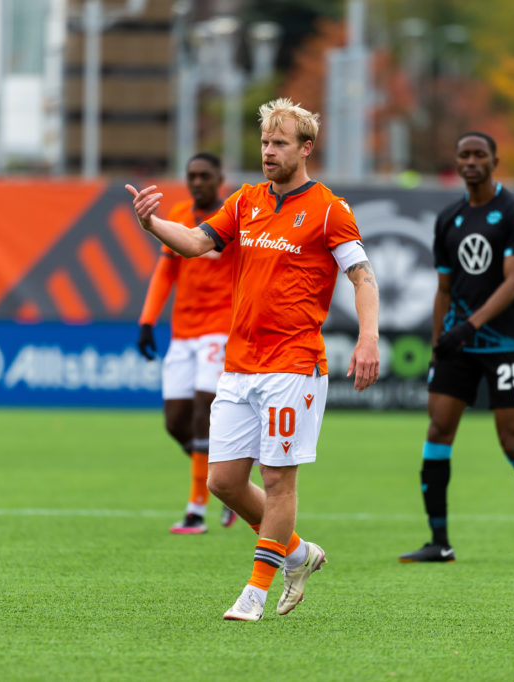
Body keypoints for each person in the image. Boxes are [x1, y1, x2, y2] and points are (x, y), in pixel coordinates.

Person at [127, 98, 380, 621]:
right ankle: (297, 553)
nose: (268, 151)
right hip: (241, 363)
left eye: (279, 143)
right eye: (265, 142)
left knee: (277, 479)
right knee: (222, 481)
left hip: (294, 361)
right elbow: (197, 242)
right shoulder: (245, 201)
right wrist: (153, 225)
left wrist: (368, 337)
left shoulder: (330, 208)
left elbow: (362, 277)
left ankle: (256, 589)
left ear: (305, 148)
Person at [398, 132, 514, 565]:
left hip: (505, 343)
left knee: (511, 441)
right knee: (438, 431)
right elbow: (443, 290)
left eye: (479, 155)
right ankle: (439, 541)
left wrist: (470, 326)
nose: (471, 161)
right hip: (457, 343)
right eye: (464, 155)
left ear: (495, 160)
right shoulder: (448, 219)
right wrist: (439, 344)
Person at [136, 152, 238, 535]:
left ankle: (196, 510)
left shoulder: (232, 217)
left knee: (202, 413)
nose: (197, 182)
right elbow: (166, 272)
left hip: (220, 328)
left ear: (219, 179)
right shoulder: (177, 213)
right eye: (191, 175)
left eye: (204, 175)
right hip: (183, 332)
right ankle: (232, 485)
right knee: (175, 422)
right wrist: (147, 321)